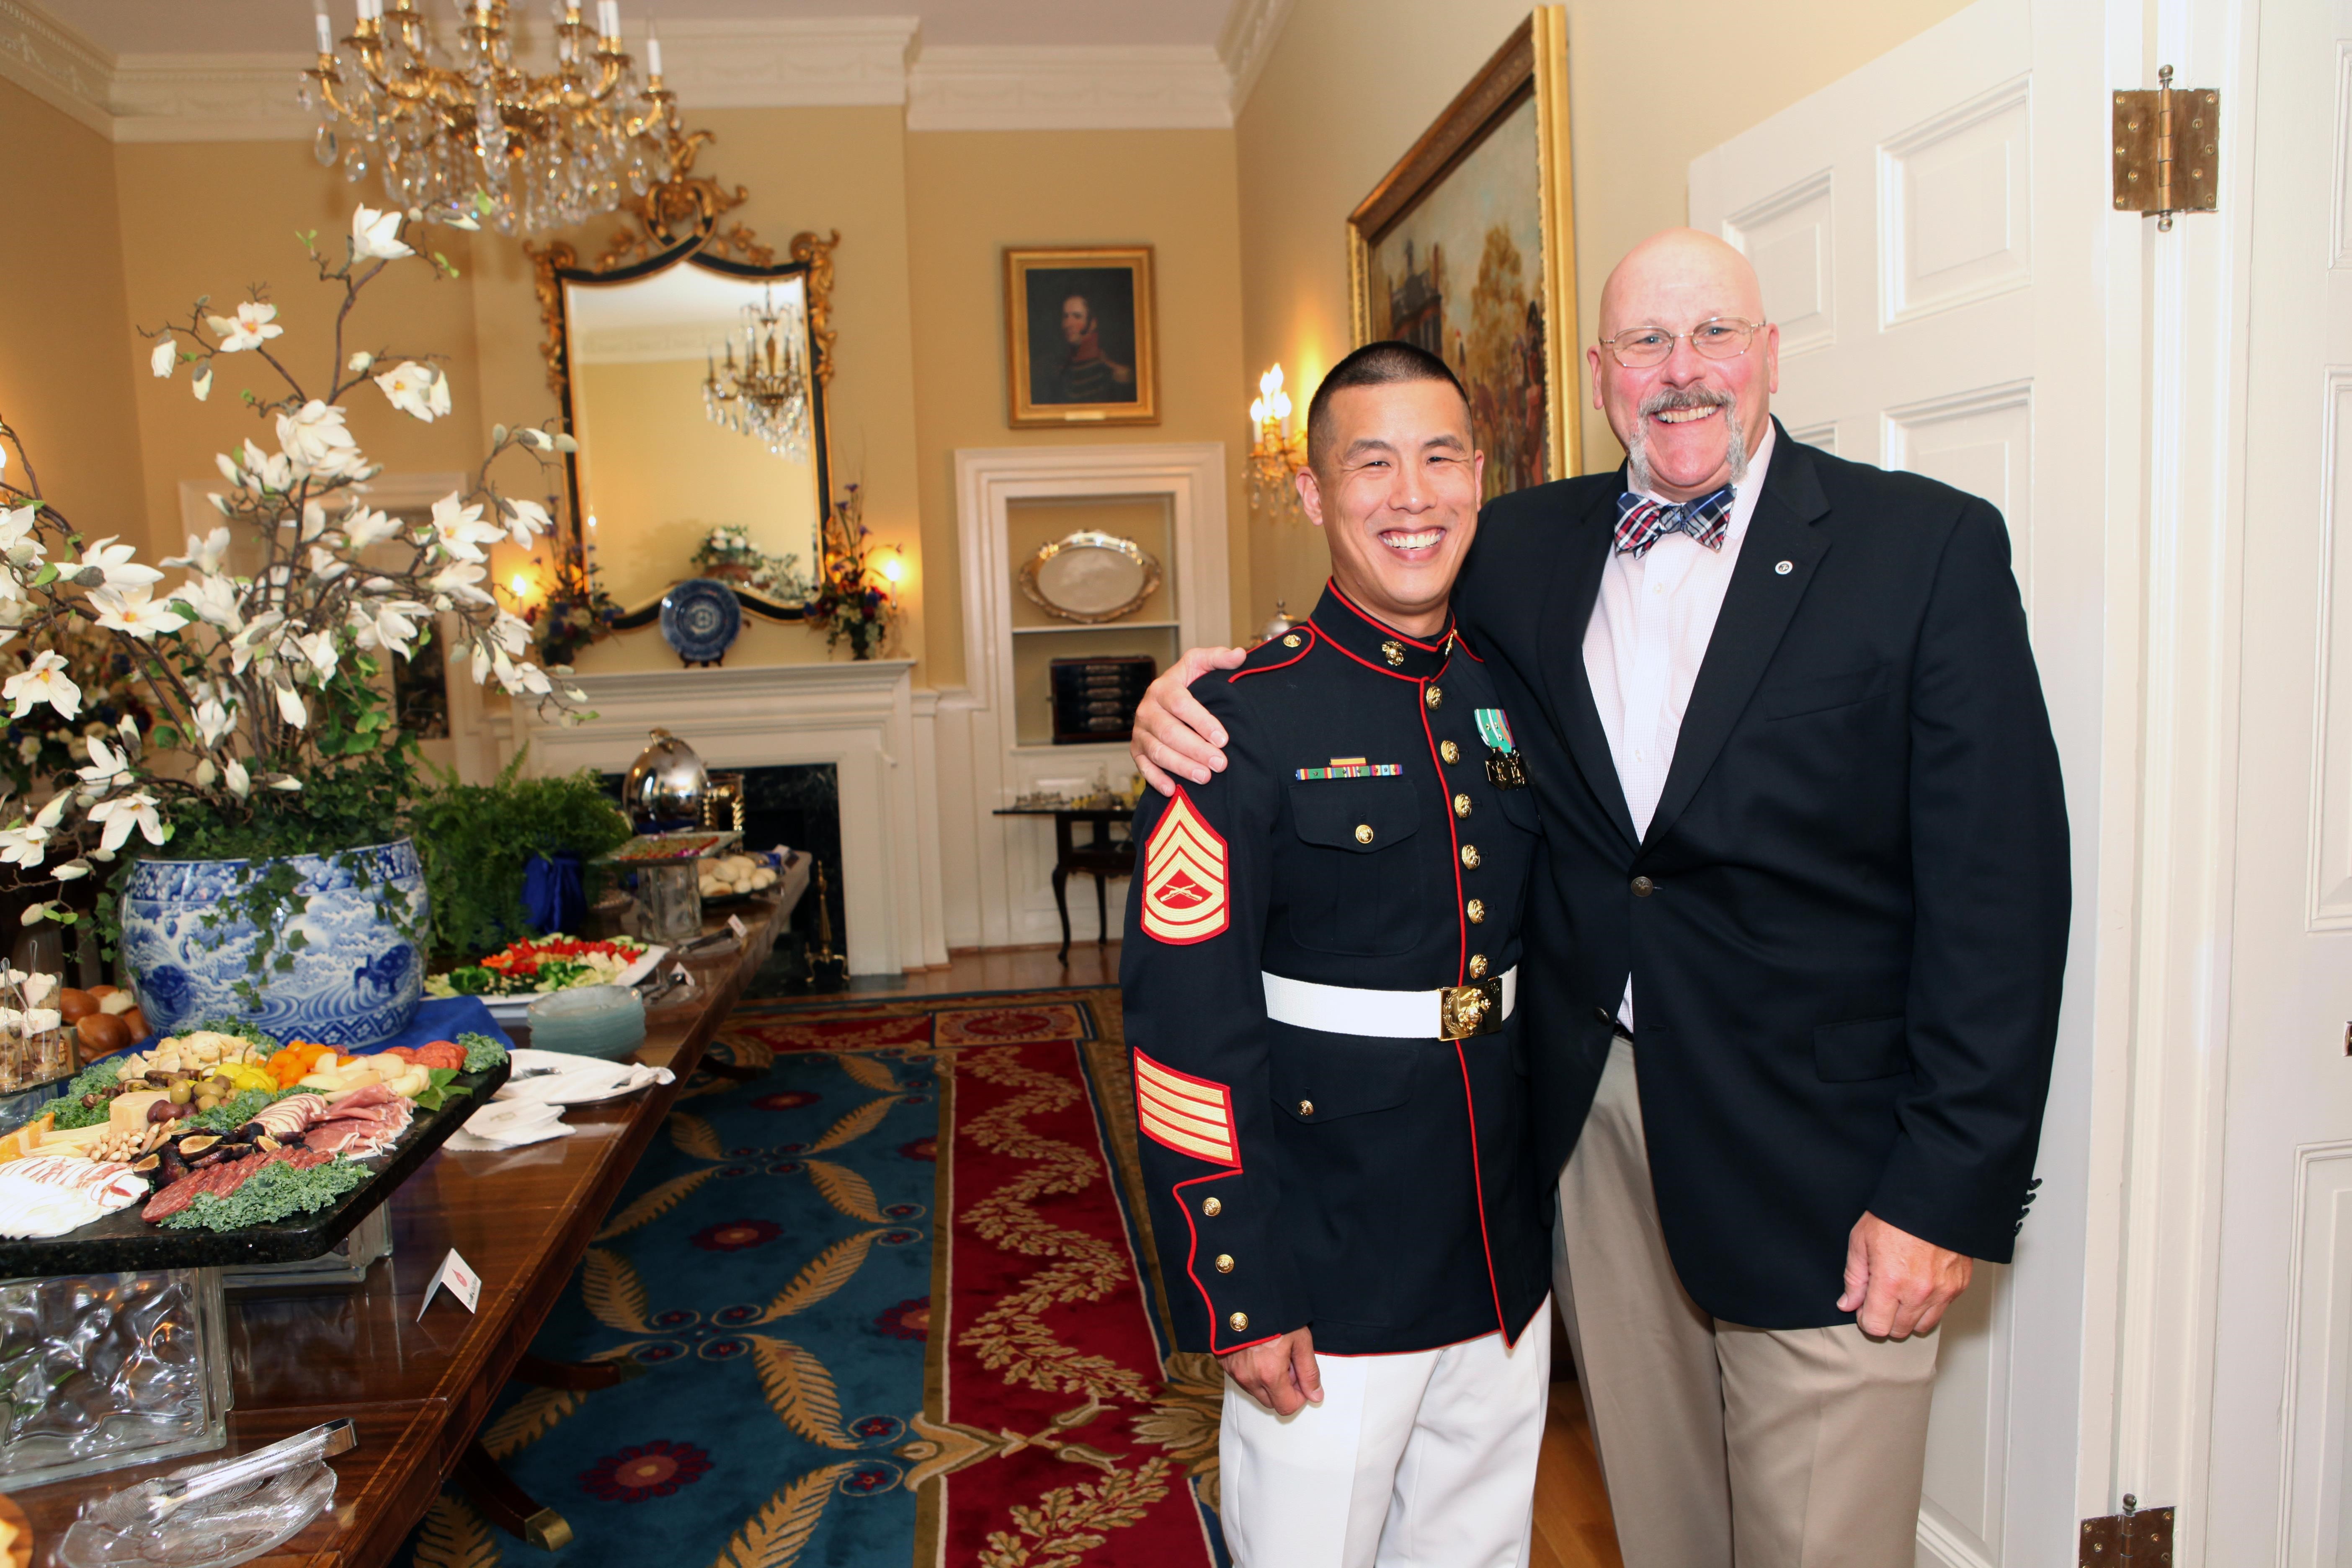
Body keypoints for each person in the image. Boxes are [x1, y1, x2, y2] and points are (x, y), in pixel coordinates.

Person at [1129, 228, 2070, 1566]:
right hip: (1588, 1148)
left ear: (1770, 353)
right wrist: (1184, 708)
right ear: (1597, 375)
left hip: (1829, 1159)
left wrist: (1948, 1190)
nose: (1681, 374)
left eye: (1714, 337)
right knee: (1658, 1529)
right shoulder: (1520, 550)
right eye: (1646, 343)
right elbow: (1364, 655)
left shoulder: (1923, 551)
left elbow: (2005, 901)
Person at [1122, 341, 1552, 1568]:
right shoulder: (1236, 725)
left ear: (1480, 475)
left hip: (1499, 1253)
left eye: (1439, 458)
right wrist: (1239, 1284)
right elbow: (1182, 1033)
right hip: (1329, 1262)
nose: (1411, 495)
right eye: (1372, 464)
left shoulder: (1500, 700)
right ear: (1313, 494)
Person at [1050, 291, 1134, 403]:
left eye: (1077, 317)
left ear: (1093, 324)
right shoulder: (1059, 369)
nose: (1068, 324)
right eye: (1066, 317)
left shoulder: (1112, 371)